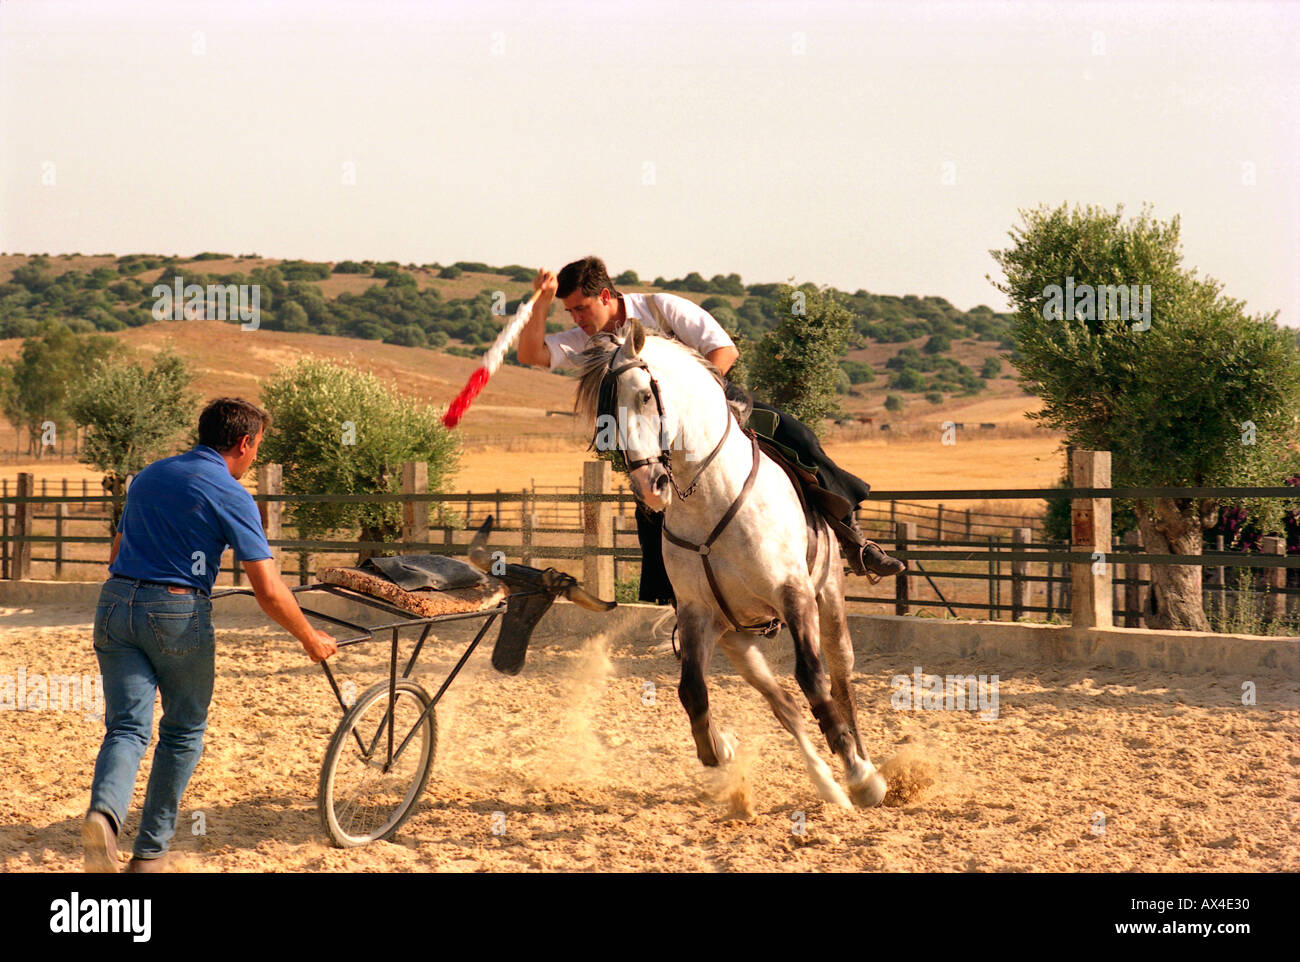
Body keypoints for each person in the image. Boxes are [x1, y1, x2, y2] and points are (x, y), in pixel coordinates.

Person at [516, 255, 905, 605]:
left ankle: (856, 543)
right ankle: (664, 598)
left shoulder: (661, 307)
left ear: (604, 295)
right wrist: (542, 303)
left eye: (580, 309)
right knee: (650, 501)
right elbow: (531, 354)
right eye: (569, 312)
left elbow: (724, 350)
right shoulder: (590, 339)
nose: (577, 319)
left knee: (797, 437)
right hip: (656, 434)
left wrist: (700, 397)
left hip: (714, 405)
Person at [83, 397, 337, 873]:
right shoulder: (231, 492)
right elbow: (266, 588)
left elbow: (118, 550)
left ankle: (104, 815)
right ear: (244, 442)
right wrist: (310, 636)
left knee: (127, 727)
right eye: (257, 447)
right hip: (177, 613)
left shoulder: (151, 475)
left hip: (114, 604)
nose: (255, 456)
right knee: (182, 731)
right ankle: (149, 856)